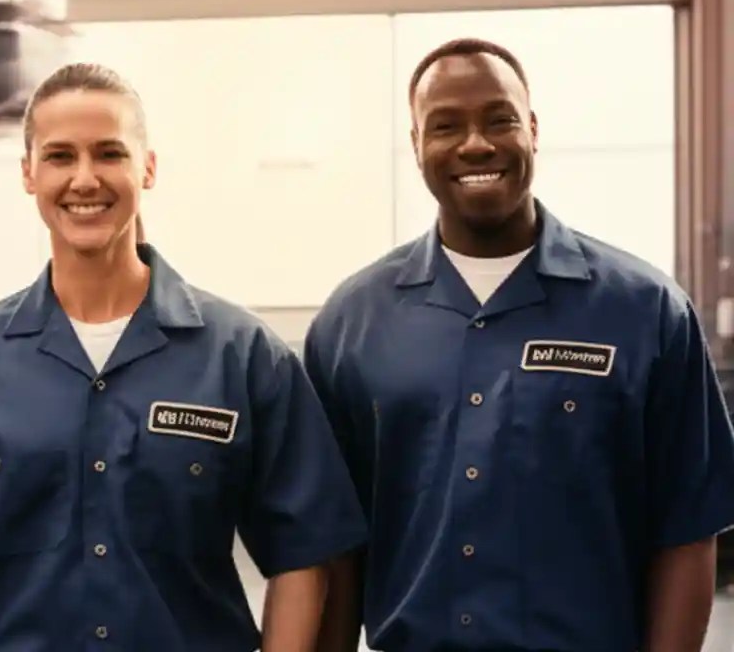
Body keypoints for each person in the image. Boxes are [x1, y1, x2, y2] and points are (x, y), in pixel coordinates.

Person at [0, 62, 369, 651]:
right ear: (28, 173)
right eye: (59, 156)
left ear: (147, 167)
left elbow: (303, 556)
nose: (85, 179)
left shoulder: (242, 356)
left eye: (109, 154)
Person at [306, 37, 734, 652]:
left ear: (532, 130)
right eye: (445, 125)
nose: (475, 144)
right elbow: (335, 547)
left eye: (498, 119)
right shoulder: (353, 323)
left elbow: (688, 530)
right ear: (417, 146)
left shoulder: (645, 311)